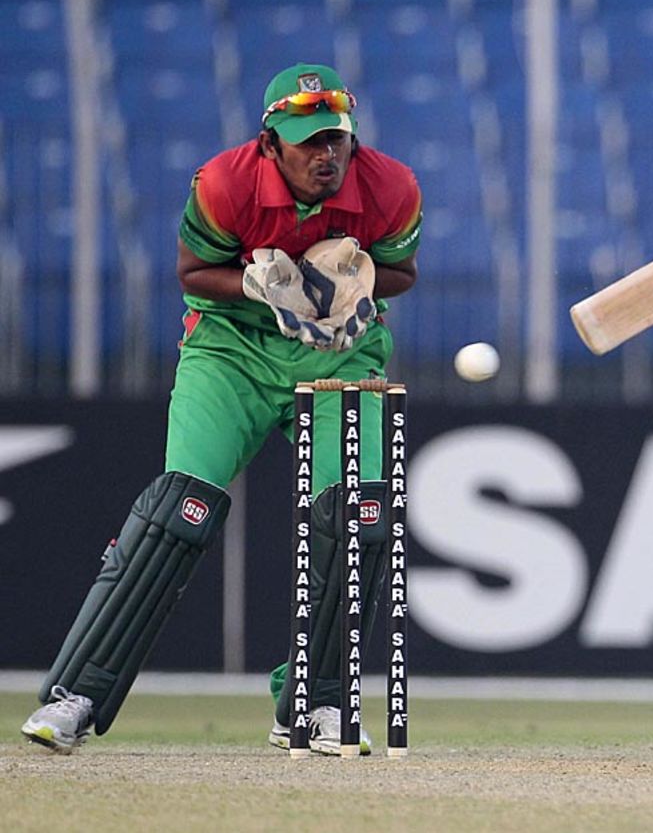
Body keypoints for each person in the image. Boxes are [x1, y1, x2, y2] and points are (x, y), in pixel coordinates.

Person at [20, 63, 423, 755]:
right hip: (231, 348)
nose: (326, 155)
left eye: (336, 139)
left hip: (340, 356)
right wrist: (260, 285)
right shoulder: (224, 183)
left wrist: (350, 287)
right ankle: (77, 693)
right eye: (308, 142)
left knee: (361, 512)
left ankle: (316, 699)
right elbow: (191, 272)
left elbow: (401, 271)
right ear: (271, 142)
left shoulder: (391, 186)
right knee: (179, 511)